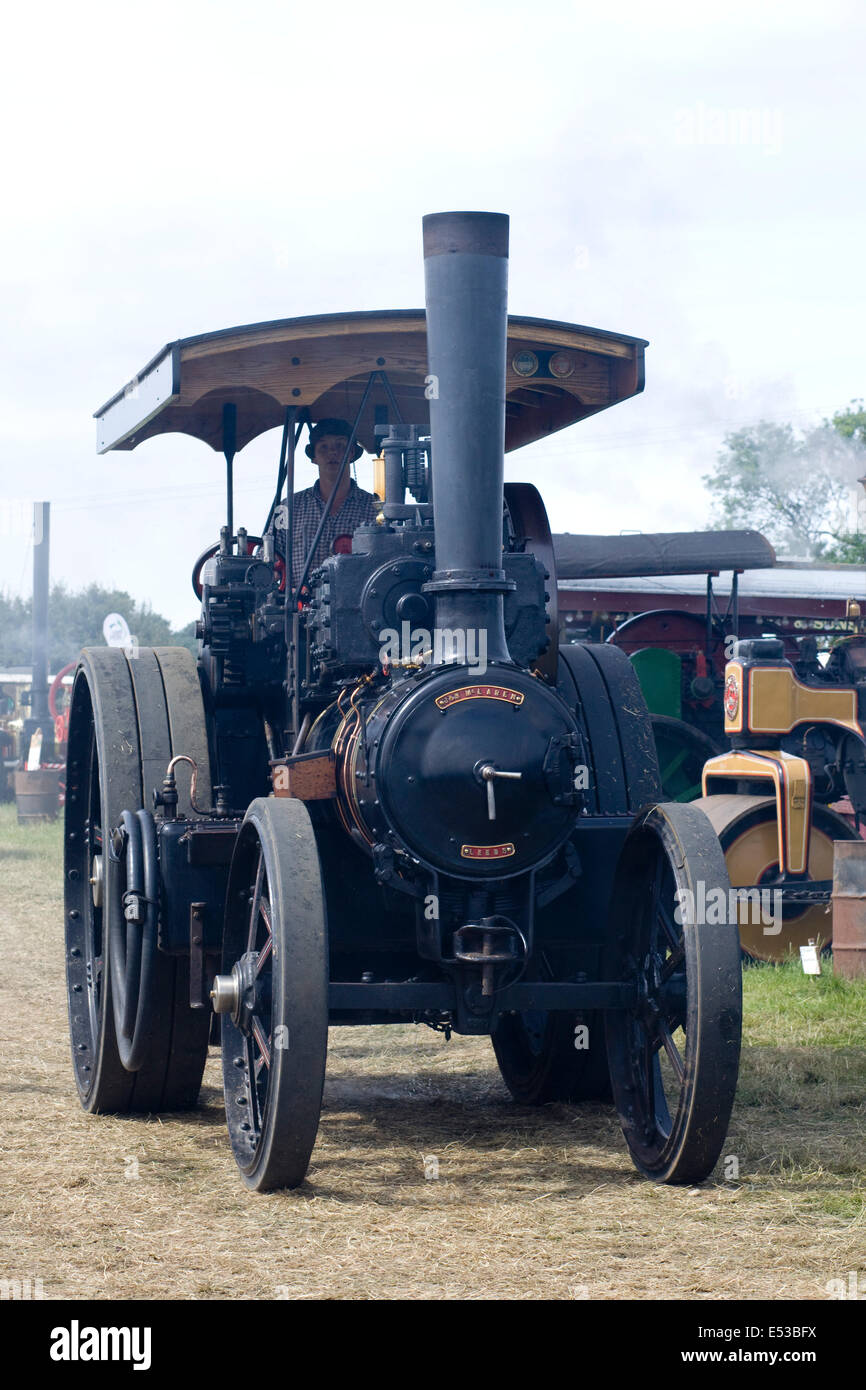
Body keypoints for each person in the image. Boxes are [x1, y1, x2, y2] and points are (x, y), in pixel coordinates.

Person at [273, 418, 379, 590]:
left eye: (340, 446)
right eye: (323, 447)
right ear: (313, 457)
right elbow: (268, 561)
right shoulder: (288, 507)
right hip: (300, 612)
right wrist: (287, 592)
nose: (332, 453)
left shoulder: (375, 509)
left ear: (351, 453)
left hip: (359, 611)